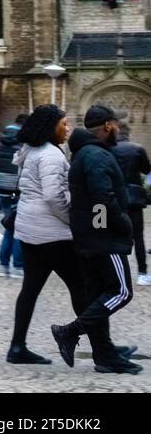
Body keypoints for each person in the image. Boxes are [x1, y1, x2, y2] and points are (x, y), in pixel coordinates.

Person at [51, 106, 141, 375]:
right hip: (103, 240)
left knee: (97, 296)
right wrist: (120, 224)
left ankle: (105, 355)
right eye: (116, 123)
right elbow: (101, 199)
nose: (119, 128)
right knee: (121, 292)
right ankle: (69, 332)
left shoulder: (86, 153)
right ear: (107, 126)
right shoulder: (96, 156)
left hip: (90, 239)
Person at [6, 104, 86, 364]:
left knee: (30, 289)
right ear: (51, 127)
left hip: (30, 230)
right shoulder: (50, 155)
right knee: (80, 287)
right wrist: (71, 220)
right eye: (64, 123)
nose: (68, 128)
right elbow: (53, 196)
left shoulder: (30, 151)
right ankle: (102, 346)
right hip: (52, 233)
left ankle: (17, 347)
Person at [111, 120, 150, 285]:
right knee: (138, 236)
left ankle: (116, 273)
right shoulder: (137, 149)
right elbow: (147, 172)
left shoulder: (107, 150)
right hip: (134, 199)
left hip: (113, 198)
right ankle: (142, 273)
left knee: (114, 236)